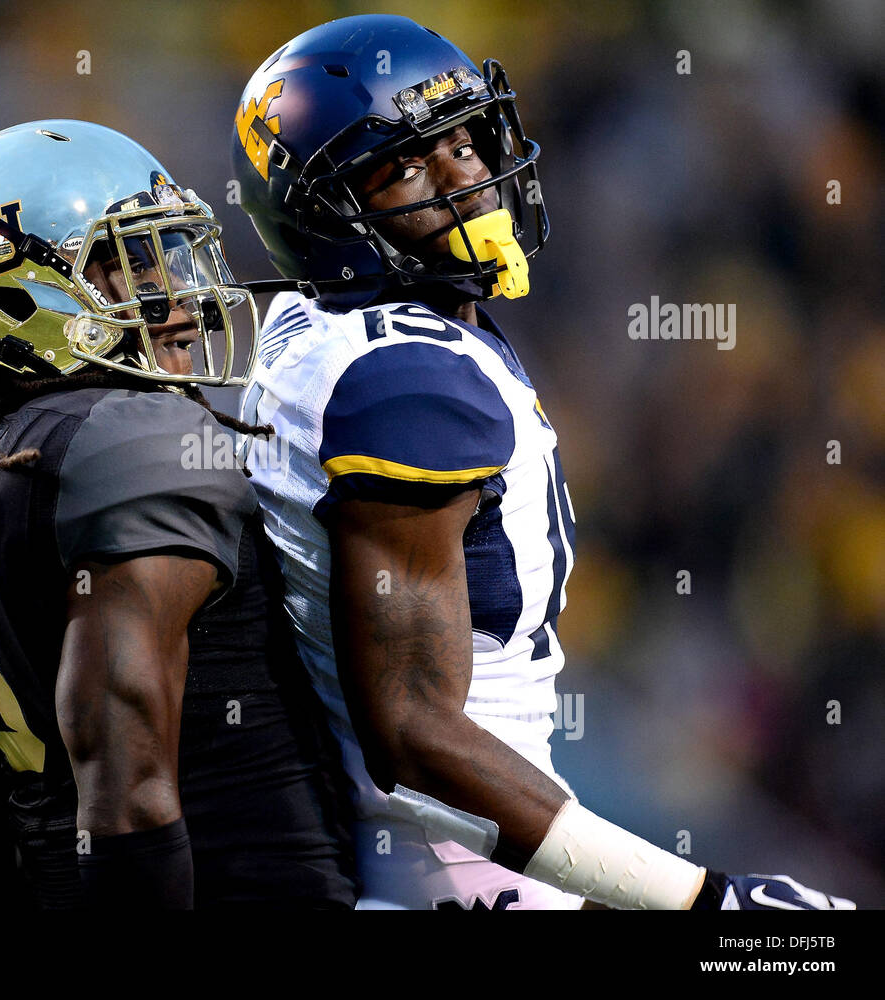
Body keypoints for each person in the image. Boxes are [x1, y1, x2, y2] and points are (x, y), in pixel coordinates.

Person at [231, 15, 852, 911]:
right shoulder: (408, 383)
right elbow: (414, 734)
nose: (467, 177)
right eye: (406, 166)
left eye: (460, 140)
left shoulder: (328, 327)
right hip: (452, 879)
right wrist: (700, 900)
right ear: (325, 215)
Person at [0, 119, 354, 909]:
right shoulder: (137, 440)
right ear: (19, 287)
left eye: (168, 254)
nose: (175, 295)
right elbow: (126, 784)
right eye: (130, 264)